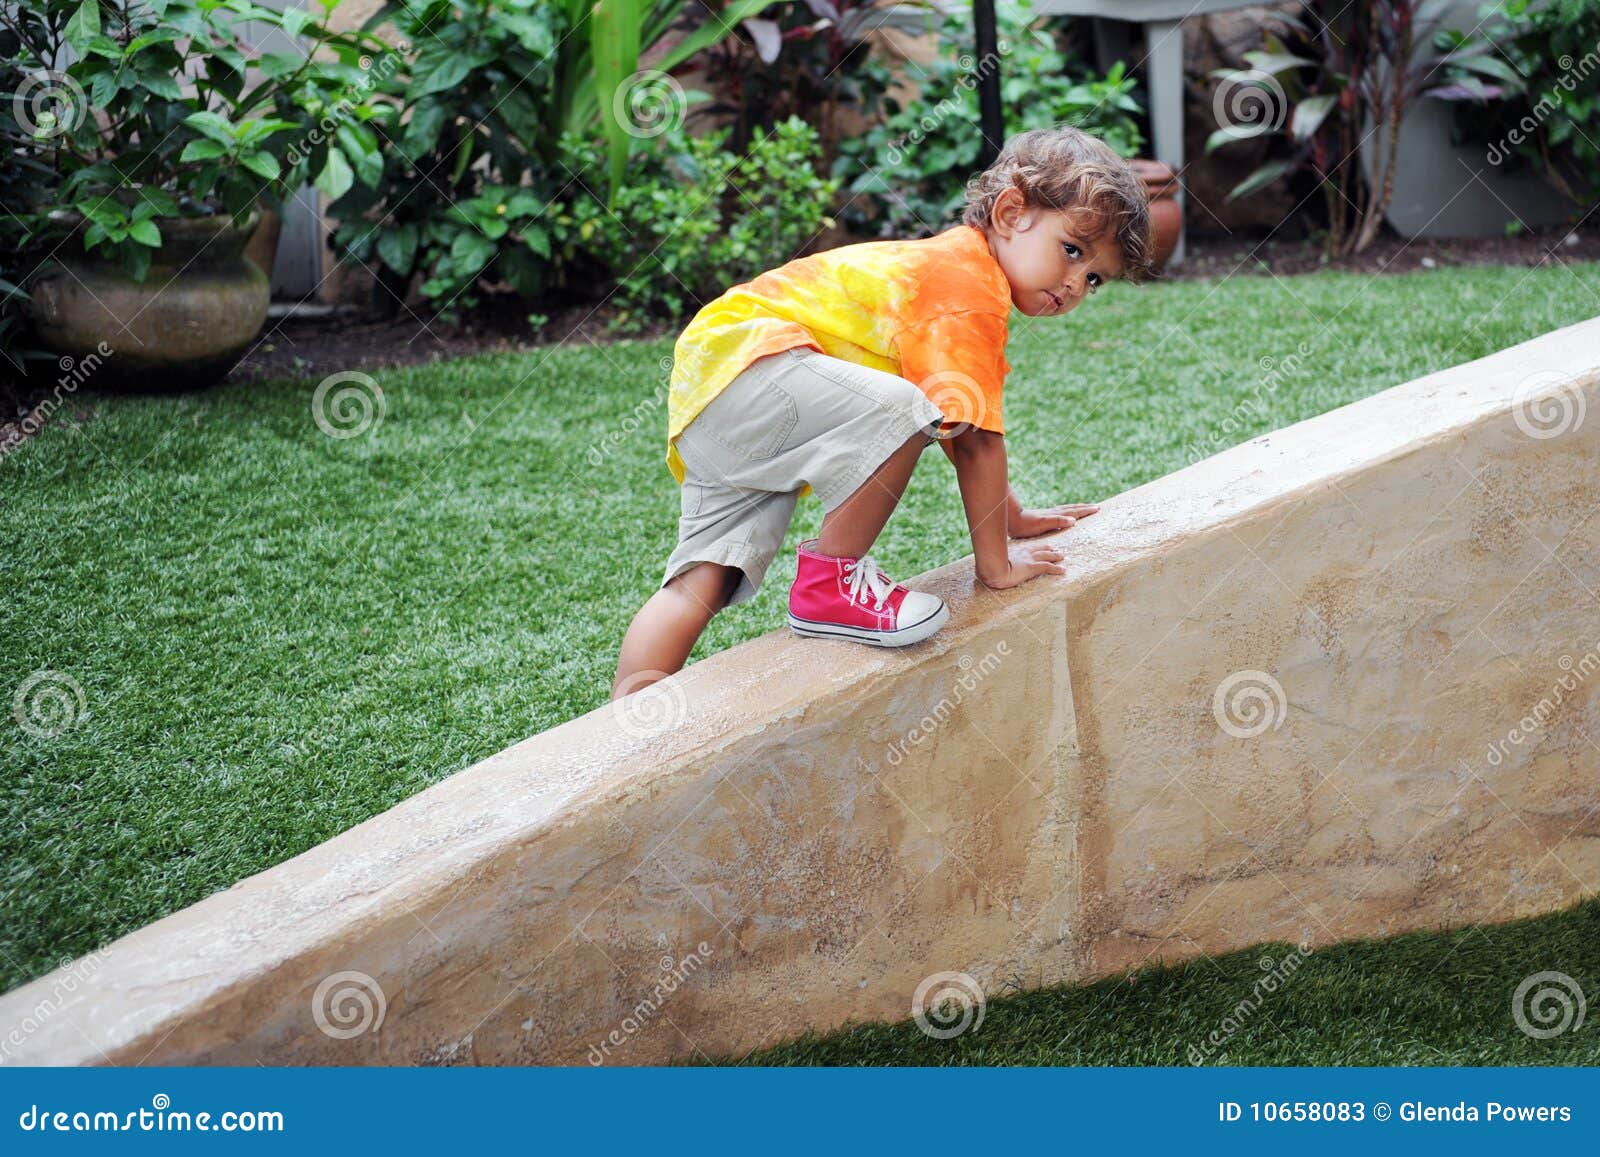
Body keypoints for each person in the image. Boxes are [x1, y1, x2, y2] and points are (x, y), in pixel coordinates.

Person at [613, 125, 1154, 699]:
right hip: (752, 362)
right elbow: (971, 439)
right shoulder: (965, 282)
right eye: (1071, 250)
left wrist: (1011, 517)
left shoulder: (962, 282)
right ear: (1010, 211)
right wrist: (996, 568)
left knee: (702, 581)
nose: (1074, 284)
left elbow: (958, 424)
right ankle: (830, 582)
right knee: (904, 410)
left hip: (718, 391)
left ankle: (623, 728)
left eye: (1093, 278)